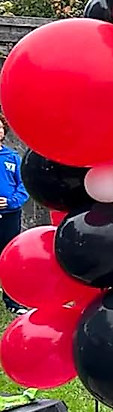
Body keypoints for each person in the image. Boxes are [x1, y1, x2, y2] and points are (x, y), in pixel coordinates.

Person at [0, 120, 29, 314]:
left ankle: (12, 301)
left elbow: (24, 186)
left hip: (10, 217)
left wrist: (11, 202)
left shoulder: (12, 157)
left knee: (9, 258)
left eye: (0, 127)